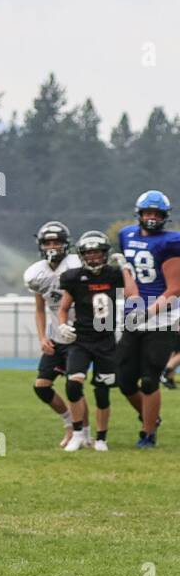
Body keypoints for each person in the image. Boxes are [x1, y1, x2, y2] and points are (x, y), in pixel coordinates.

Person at [56, 231, 133, 452]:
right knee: (73, 385)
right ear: (82, 255)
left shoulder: (113, 274)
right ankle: (78, 433)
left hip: (106, 340)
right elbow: (63, 308)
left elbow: (131, 294)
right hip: (81, 339)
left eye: (97, 253)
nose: (93, 258)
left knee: (102, 391)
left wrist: (126, 267)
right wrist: (63, 324)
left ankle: (101, 438)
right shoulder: (74, 277)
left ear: (105, 254)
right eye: (88, 253)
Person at [117, 189, 180, 448]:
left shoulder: (171, 242)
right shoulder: (125, 235)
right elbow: (129, 274)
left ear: (164, 216)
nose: (152, 217)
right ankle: (150, 417)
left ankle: (148, 433)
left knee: (150, 377)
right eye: (148, 213)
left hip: (161, 317)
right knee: (124, 379)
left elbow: (175, 289)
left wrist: (149, 311)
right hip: (133, 314)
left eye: (157, 213)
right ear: (139, 214)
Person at [23, 220, 79, 446]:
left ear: (66, 244)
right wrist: (42, 337)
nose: (52, 246)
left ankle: (81, 432)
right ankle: (69, 424)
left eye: (57, 241)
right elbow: (40, 308)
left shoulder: (76, 265)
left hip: (79, 336)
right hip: (56, 337)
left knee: (74, 385)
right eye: (48, 242)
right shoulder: (37, 273)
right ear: (41, 245)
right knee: (42, 386)